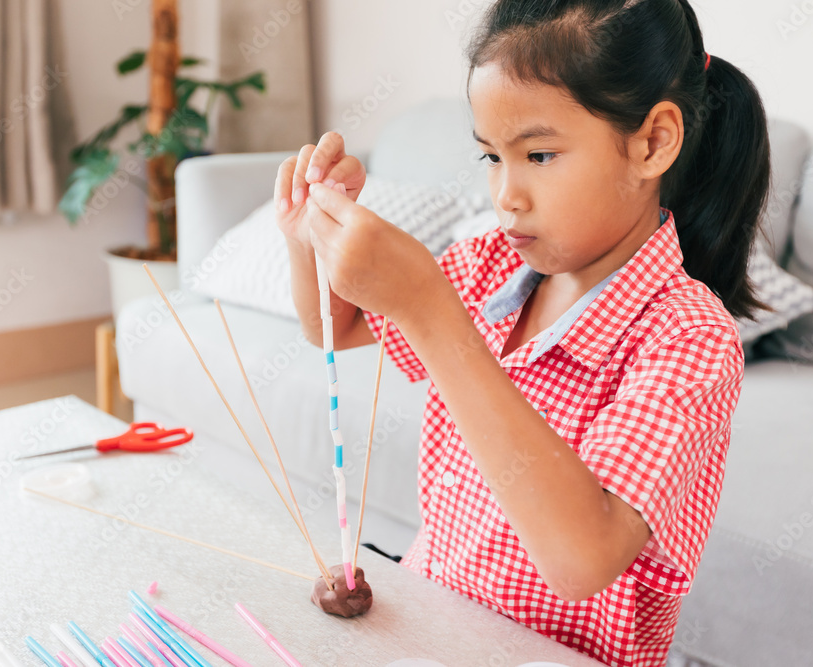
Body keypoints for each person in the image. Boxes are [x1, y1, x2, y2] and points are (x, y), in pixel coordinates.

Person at [274, 1, 772, 665]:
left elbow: (582, 558)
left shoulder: (687, 336)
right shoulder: (487, 265)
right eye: (491, 156)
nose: (505, 194)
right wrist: (307, 235)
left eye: (539, 154)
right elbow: (333, 327)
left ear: (653, 142)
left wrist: (431, 311)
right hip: (433, 628)